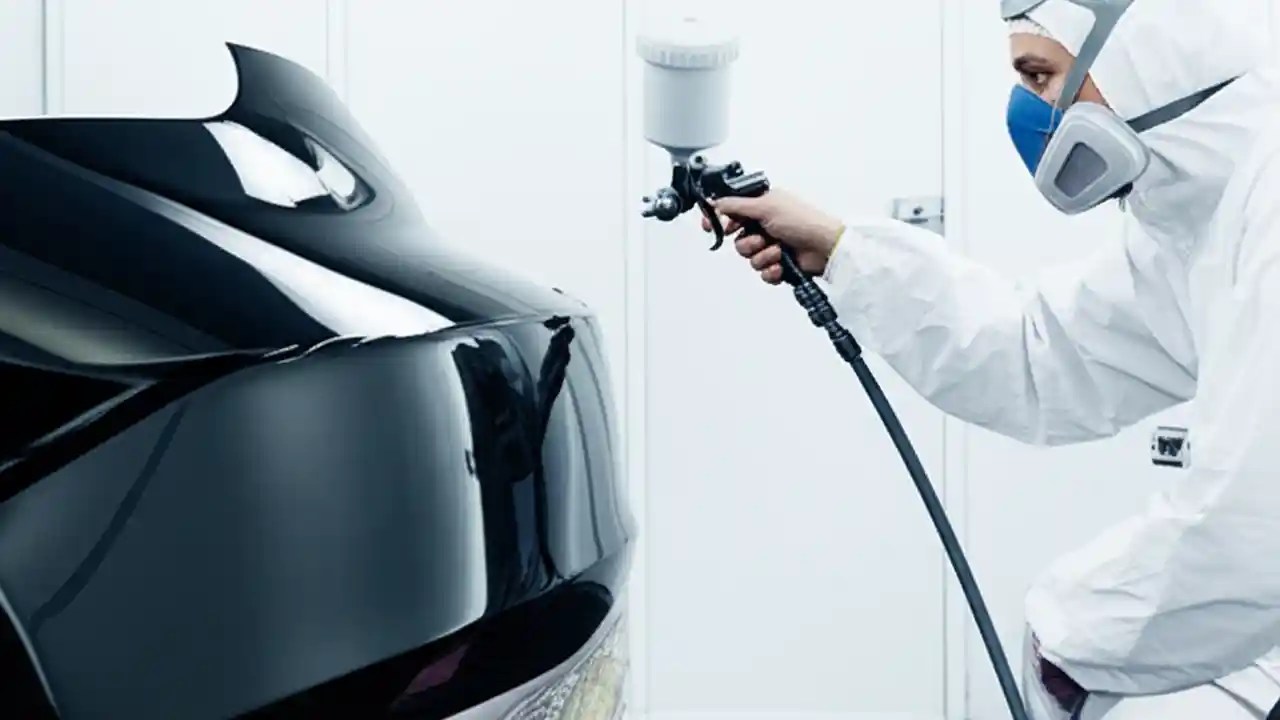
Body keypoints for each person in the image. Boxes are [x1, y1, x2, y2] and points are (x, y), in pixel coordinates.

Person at [703, 0, 1280, 718]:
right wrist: (845, 252)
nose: (1029, 112)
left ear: (1142, 57)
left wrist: (1069, 638)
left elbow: (1256, 528)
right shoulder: (1202, 215)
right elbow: (1042, 356)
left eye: (1040, 76)